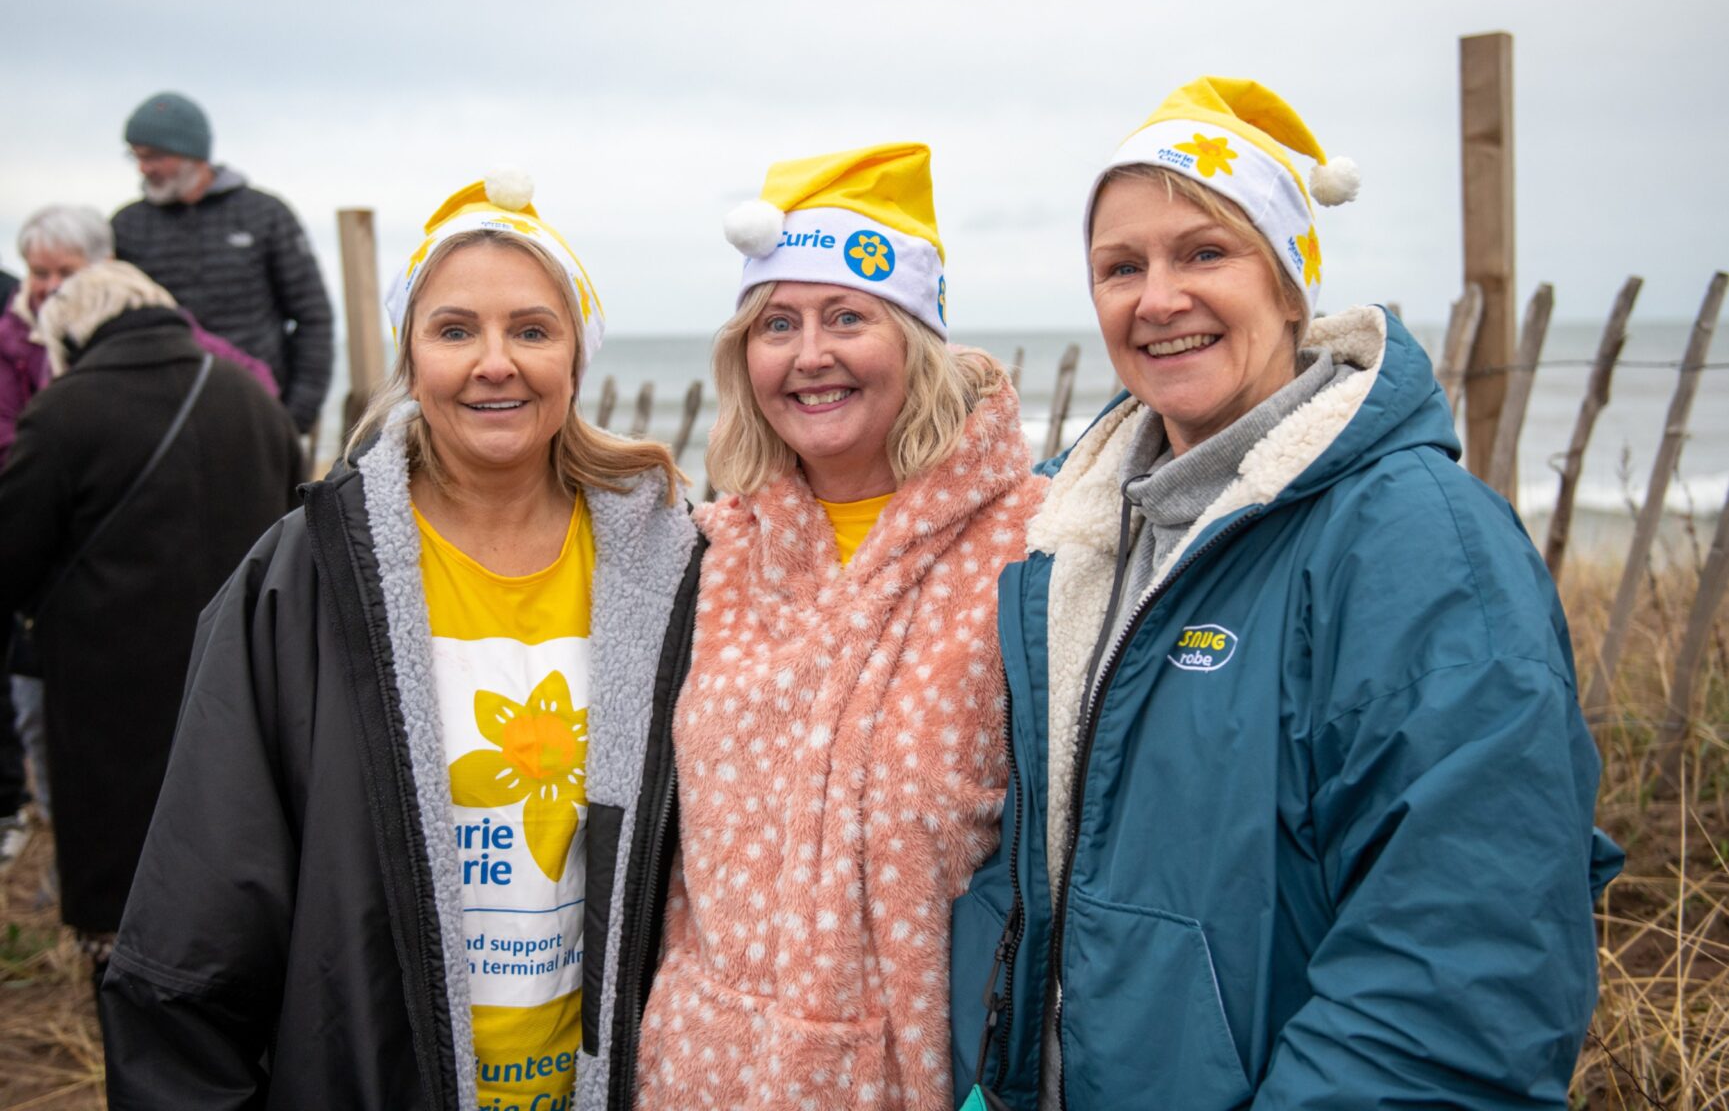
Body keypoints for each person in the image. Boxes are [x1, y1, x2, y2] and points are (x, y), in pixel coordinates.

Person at [949, 78, 1623, 1110]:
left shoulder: (1414, 543)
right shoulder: (1079, 538)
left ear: (1292, 283)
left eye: (1205, 252)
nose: (1157, 297)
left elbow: (1462, 966)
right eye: (1120, 266)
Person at [100, 170, 699, 1111]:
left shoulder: (672, 573)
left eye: (531, 330)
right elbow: (198, 926)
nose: (493, 362)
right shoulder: (305, 579)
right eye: (455, 329)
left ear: (576, 357)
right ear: (410, 358)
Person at [618, 144, 1045, 1111]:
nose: (809, 354)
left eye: (846, 316)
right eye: (777, 324)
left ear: (914, 338)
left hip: (934, 1072)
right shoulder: (709, 555)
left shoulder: (1037, 546)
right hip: (703, 1069)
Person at [0, 260, 303, 985]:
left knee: (126, 914)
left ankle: (132, 1014)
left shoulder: (67, 410)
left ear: (72, 333)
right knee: (238, 879)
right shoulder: (253, 399)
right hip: (245, 684)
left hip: (110, 704)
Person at [113, 90, 332, 434]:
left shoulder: (265, 214)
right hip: (160, 420)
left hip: (257, 411)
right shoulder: (126, 226)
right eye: (136, 156)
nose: (144, 168)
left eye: (155, 155)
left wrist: (295, 416)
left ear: (192, 153)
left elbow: (313, 316)